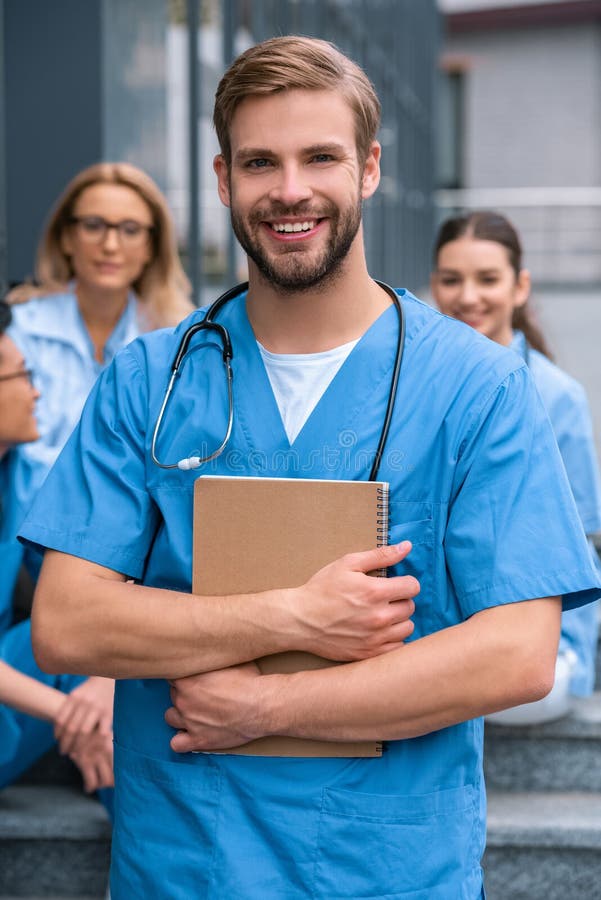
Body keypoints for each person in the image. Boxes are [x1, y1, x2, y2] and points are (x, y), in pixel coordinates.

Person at [20, 37, 600, 899]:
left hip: (389, 866)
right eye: (260, 162)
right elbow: (68, 625)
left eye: (318, 157)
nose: (289, 190)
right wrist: (297, 613)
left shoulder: (477, 388)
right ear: (222, 181)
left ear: (368, 168)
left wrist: (266, 708)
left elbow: (517, 655)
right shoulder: (150, 378)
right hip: (189, 859)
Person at [431, 209, 601, 724]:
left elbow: (586, 540)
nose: (468, 296)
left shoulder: (558, 398)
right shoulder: (413, 387)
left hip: (530, 639)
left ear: (520, 287)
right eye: (451, 279)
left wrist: (579, 657)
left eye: (487, 279)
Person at [7, 161, 193, 482]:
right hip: (22, 529)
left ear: (150, 246)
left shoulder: (177, 342)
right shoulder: (16, 332)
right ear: (67, 238)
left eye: (130, 230)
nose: (110, 245)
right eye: (93, 225)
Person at [0, 299, 113, 796]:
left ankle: (132, 859)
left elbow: (81, 598)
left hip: (14, 710)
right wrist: (76, 712)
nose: (37, 391)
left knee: (72, 636)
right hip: (29, 706)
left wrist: (106, 686)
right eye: (22, 376)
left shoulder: (20, 478)